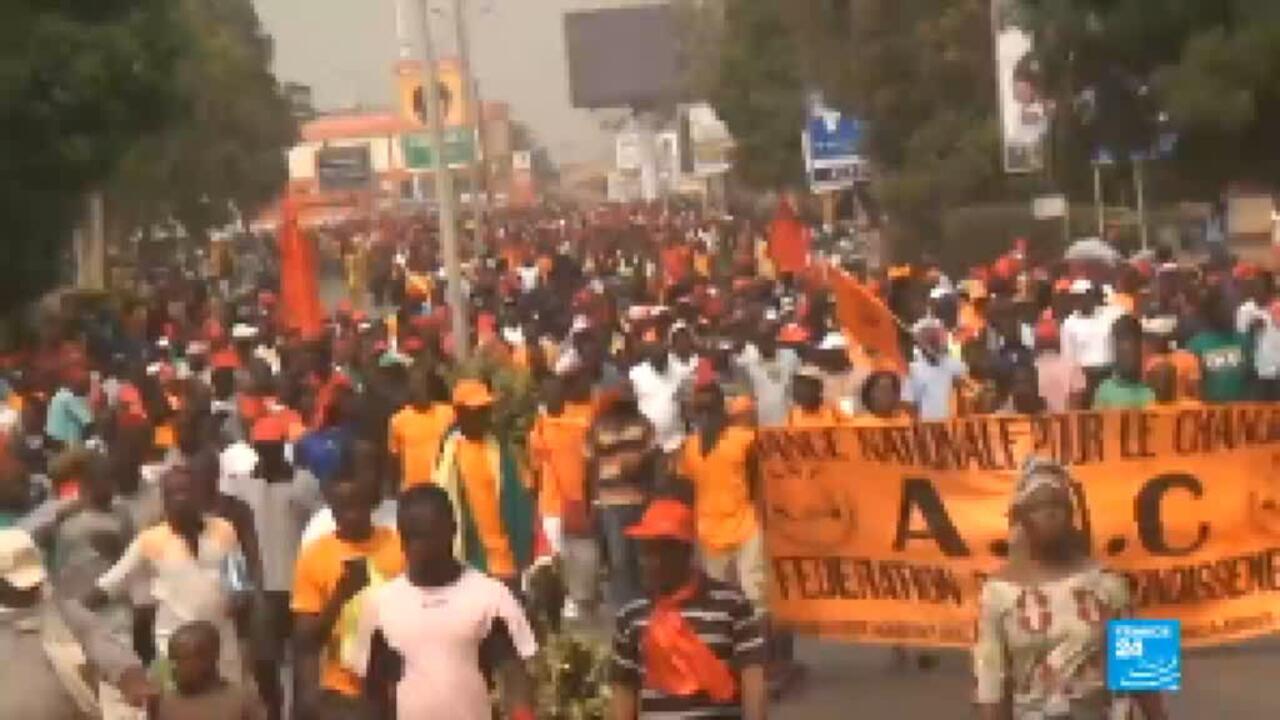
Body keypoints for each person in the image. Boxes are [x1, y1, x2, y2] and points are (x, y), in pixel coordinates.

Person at [974, 459, 1167, 720]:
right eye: (1039, 506)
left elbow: (1145, 671)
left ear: (1071, 514)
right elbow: (992, 685)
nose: (1050, 513)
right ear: (1021, 517)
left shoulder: (1109, 581)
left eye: (1058, 505)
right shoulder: (997, 593)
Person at [353, 485, 538, 720]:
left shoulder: (490, 599)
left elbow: (514, 679)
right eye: (411, 535)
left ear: (452, 530)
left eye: (428, 534)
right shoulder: (379, 604)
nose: (419, 546)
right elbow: (372, 692)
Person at [86, 465, 245, 685]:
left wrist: (237, 598)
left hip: (222, 647)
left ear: (198, 494)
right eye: (172, 494)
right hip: (175, 649)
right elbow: (111, 582)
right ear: (164, 500)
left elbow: (238, 582)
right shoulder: (149, 540)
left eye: (185, 491)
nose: (180, 499)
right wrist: (72, 611)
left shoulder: (224, 530)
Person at [610, 498, 767, 720]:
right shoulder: (632, 616)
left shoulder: (730, 605)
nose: (649, 561)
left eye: (660, 552)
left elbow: (753, 678)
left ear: (684, 553)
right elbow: (624, 691)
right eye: (646, 551)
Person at [0, 527, 157, 719]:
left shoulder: (59, 609)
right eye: (20, 586)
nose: (32, 589)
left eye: (35, 583)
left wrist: (130, 677)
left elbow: (97, 640)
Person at [291, 454, 404, 715]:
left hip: (399, 683)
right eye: (343, 508)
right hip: (344, 692)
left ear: (370, 505)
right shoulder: (315, 555)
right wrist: (341, 595)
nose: (352, 515)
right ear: (332, 509)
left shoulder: (399, 545)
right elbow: (306, 640)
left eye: (358, 506)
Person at [432, 379, 537, 584]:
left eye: (485, 409)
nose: (483, 415)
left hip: (506, 562)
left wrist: (525, 551)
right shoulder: (449, 454)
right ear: (459, 413)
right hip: (469, 562)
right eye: (476, 410)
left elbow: (522, 500)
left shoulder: (502, 449)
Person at [527, 365, 597, 620]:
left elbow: (591, 463)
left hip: (577, 499)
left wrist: (591, 498)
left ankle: (581, 598)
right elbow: (535, 469)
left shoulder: (580, 424)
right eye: (548, 393)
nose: (553, 396)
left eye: (556, 392)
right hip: (551, 502)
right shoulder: (538, 429)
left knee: (578, 556)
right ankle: (562, 599)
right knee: (555, 556)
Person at [584, 384, 657, 608]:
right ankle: (626, 612)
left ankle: (646, 609)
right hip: (610, 504)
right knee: (620, 562)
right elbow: (589, 468)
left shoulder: (643, 425)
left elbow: (654, 461)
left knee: (643, 561)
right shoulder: (599, 428)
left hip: (640, 501)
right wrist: (592, 503)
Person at [156, 620, 267, 720]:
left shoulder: (241, 701)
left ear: (208, 659)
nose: (173, 667)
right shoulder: (165, 703)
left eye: (181, 659)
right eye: (172, 660)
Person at [387, 372, 454, 490]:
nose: (421, 391)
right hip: (413, 487)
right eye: (416, 387)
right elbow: (394, 458)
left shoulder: (448, 413)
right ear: (410, 389)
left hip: (443, 486)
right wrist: (394, 487)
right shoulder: (398, 420)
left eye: (423, 387)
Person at [1060, 280, 1122, 404]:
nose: (1081, 300)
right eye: (1077, 297)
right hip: (1085, 376)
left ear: (1092, 295)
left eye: (1085, 295)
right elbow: (1069, 356)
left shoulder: (1111, 315)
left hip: (1110, 372)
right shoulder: (1069, 323)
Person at [1188, 287, 1251, 403]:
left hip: (1240, 412)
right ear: (1211, 312)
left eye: (1231, 309)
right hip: (1209, 413)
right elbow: (1194, 386)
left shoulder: (1244, 340)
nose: (1229, 313)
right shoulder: (1196, 345)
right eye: (1223, 309)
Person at [629, 335, 686, 454]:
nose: (661, 358)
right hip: (650, 442)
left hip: (677, 439)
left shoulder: (679, 370)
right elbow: (630, 406)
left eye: (664, 355)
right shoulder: (636, 374)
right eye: (657, 355)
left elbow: (685, 401)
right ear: (649, 357)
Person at [905, 321, 967, 421]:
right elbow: (908, 404)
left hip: (953, 427)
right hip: (926, 428)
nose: (935, 342)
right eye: (929, 339)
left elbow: (966, 392)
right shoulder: (912, 371)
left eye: (937, 337)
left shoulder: (956, 366)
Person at [1093, 316, 1156, 410]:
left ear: (1140, 350)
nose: (1129, 358)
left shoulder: (1153, 390)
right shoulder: (1104, 392)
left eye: (1133, 352)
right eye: (1122, 353)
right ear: (1114, 352)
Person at [1032, 316, 1085, 412]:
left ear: (1037, 342)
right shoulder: (1073, 365)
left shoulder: (1032, 368)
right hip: (1067, 423)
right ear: (1058, 339)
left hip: (1041, 424)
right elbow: (1076, 401)